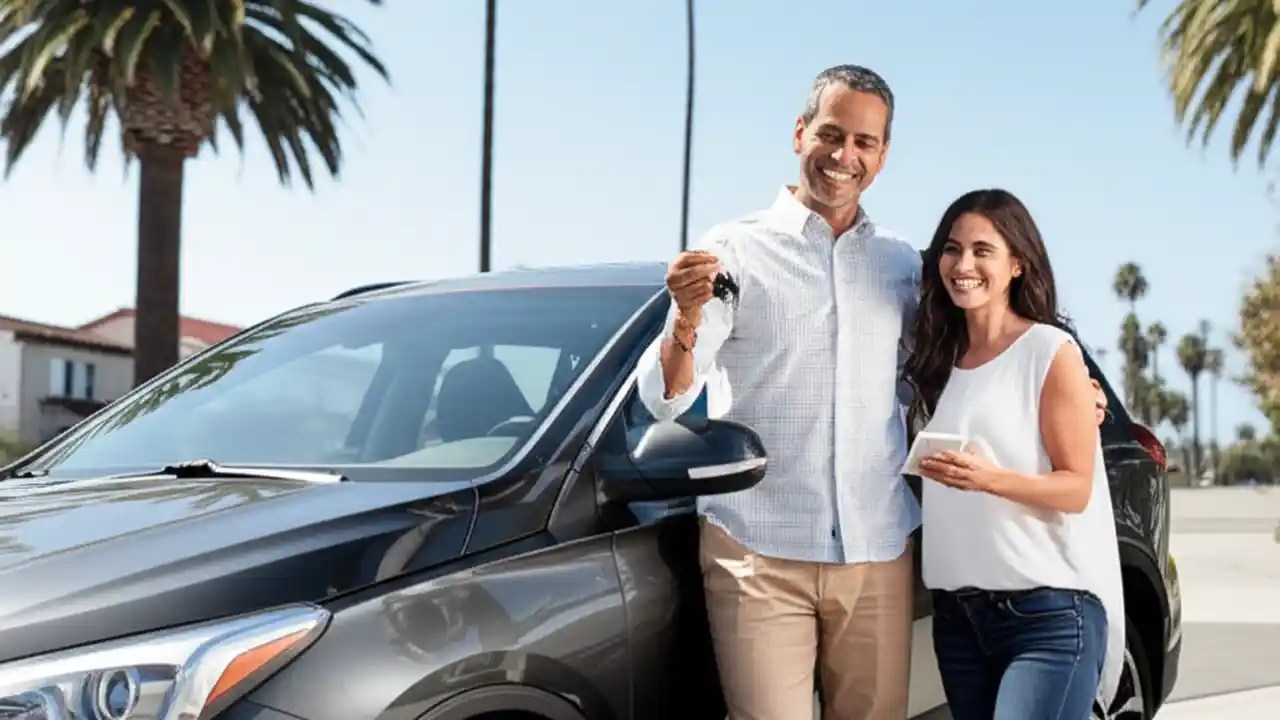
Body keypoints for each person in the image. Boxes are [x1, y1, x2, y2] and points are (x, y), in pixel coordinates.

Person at [637, 65, 1106, 719]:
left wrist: (1066, 387)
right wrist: (686, 319)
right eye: (831, 134)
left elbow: (963, 361)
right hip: (757, 552)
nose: (843, 156)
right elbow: (664, 399)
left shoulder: (901, 266)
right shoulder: (733, 251)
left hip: (878, 552)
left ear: (883, 156)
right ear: (800, 134)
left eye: (864, 142)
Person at [904, 188, 1125, 719]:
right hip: (959, 622)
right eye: (952, 249)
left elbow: (1075, 488)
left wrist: (988, 479)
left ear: (1017, 265)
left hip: (1046, 616)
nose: (963, 265)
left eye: (984, 251)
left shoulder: (1048, 351)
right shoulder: (937, 360)